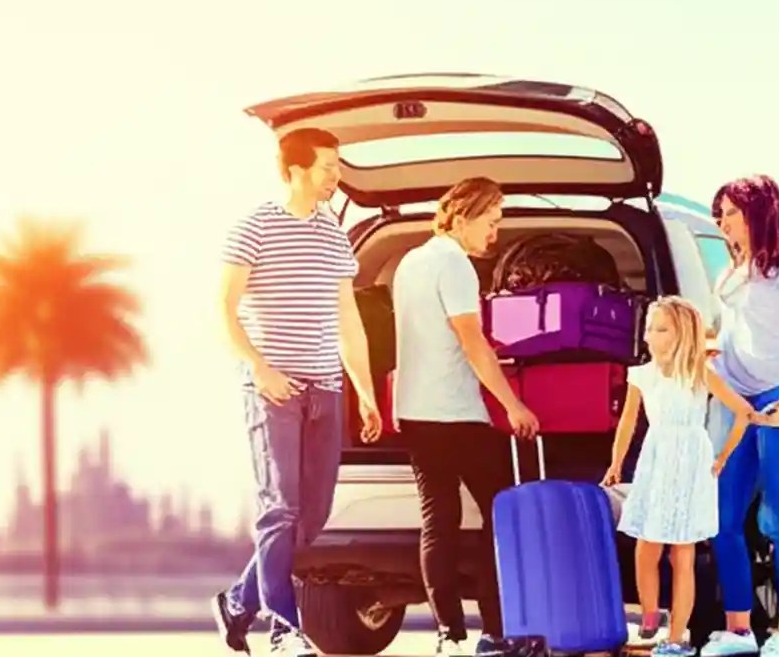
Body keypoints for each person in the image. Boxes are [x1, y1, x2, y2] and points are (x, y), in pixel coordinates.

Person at [211, 127, 383, 657]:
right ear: (296, 169)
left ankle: (240, 601)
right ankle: (283, 628)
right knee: (280, 508)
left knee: (313, 514)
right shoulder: (254, 227)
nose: (337, 176)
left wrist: (367, 392)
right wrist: (260, 369)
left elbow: (348, 318)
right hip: (274, 391)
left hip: (325, 387)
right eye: (328, 167)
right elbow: (224, 311)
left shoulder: (332, 233)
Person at [390, 176, 540, 657]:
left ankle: (450, 635)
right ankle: (497, 632)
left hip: (414, 411)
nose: (494, 235)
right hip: (455, 412)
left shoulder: (412, 261)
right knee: (501, 514)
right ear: (465, 216)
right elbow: (471, 341)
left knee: (440, 521)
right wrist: (513, 404)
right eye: (491, 223)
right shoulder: (455, 265)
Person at [699, 175, 779, 657]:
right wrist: (708, 352)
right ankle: (738, 630)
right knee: (725, 519)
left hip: (777, 403)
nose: (722, 221)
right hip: (737, 404)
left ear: (757, 213)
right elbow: (723, 331)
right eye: (720, 213)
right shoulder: (727, 277)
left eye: (729, 211)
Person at [602, 296, 762, 657]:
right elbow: (628, 422)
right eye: (649, 329)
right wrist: (616, 463)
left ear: (681, 334)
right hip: (656, 461)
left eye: (660, 329)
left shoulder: (700, 373)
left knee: (683, 554)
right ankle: (649, 617)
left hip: (692, 462)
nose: (650, 336)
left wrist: (722, 456)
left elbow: (743, 412)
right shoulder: (641, 375)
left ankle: (676, 639)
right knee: (646, 545)